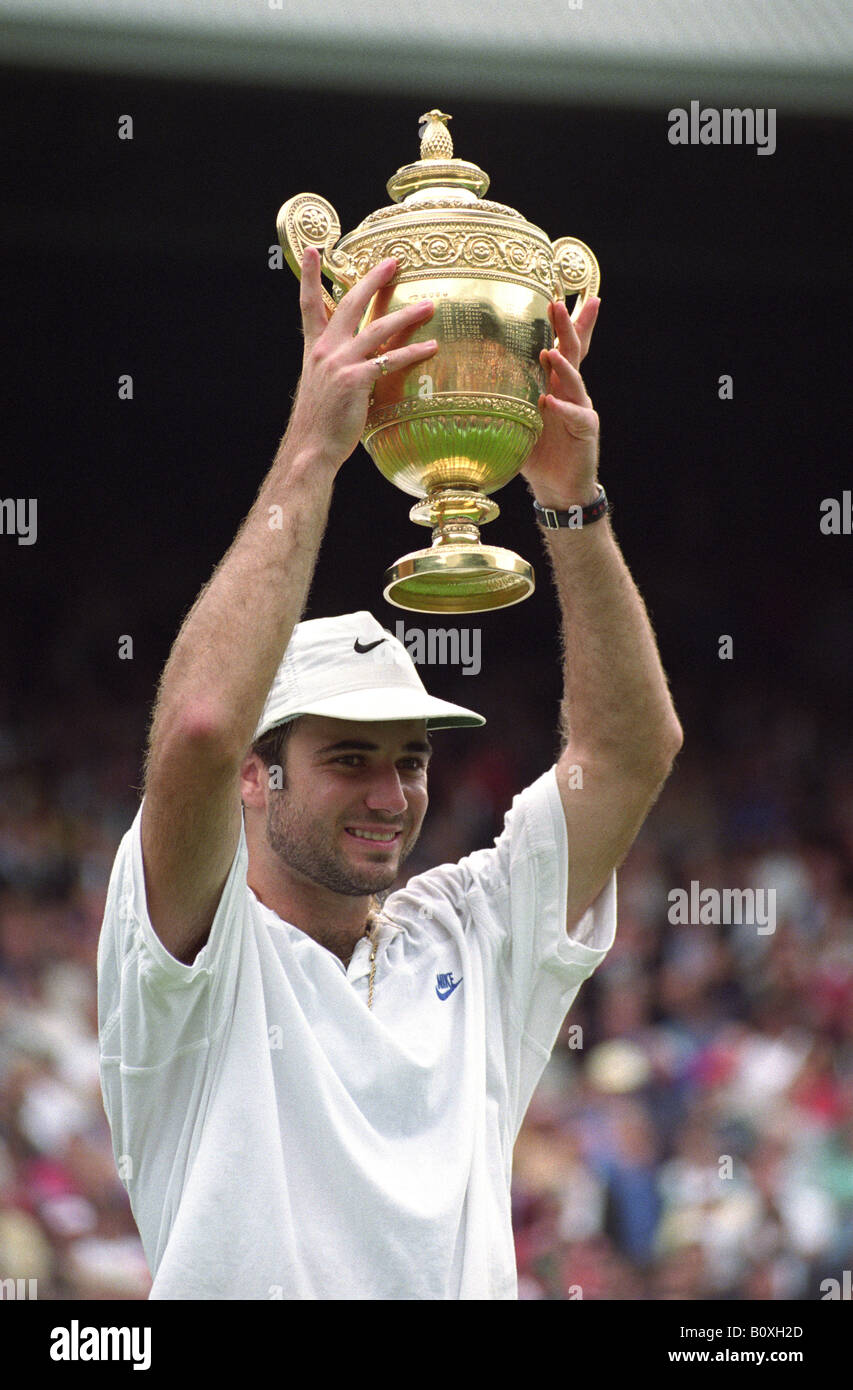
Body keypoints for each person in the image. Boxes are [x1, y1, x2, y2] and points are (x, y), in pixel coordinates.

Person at [97, 248, 682, 1300]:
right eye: (347, 758)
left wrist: (572, 502)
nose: (391, 793)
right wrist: (313, 450)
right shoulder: (192, 952)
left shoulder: (468, 930)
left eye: (410, 759)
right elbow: (193, 724)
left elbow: (630, 755)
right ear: (253, 776)